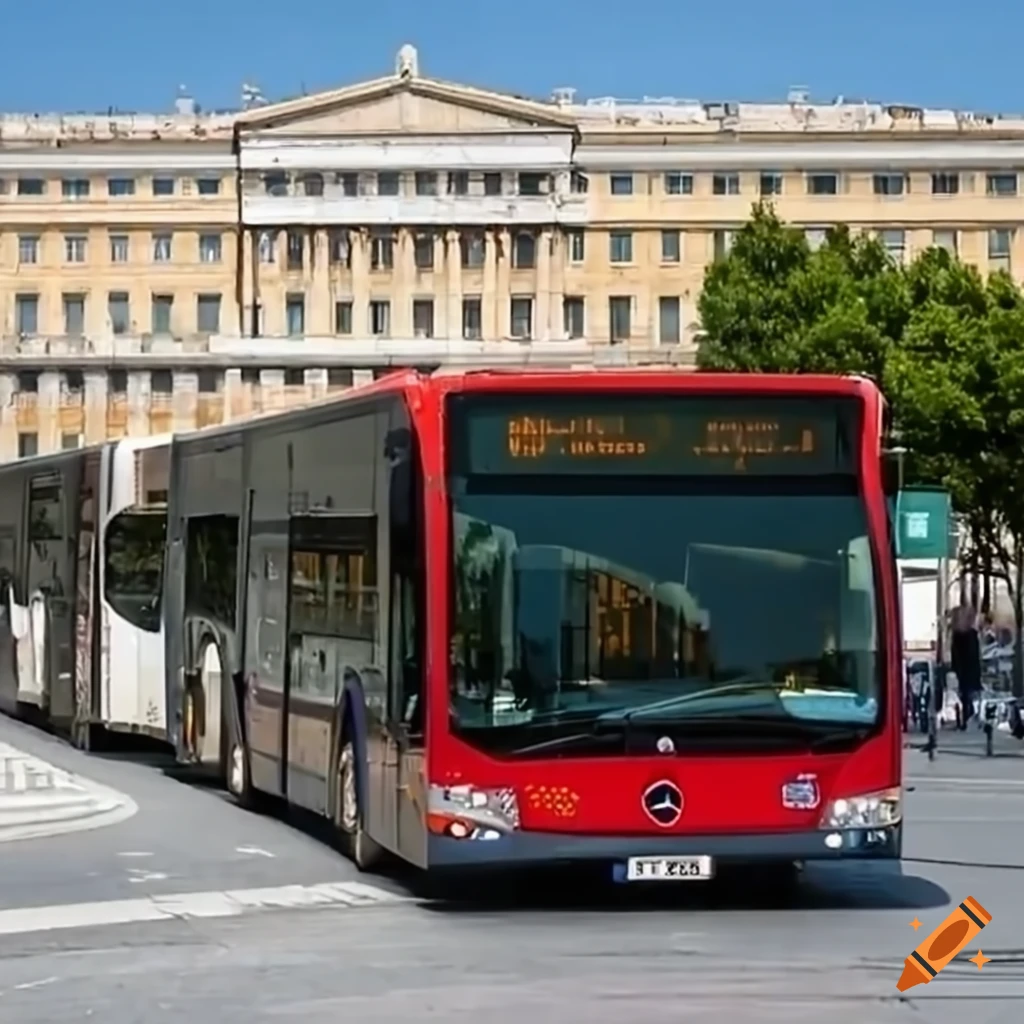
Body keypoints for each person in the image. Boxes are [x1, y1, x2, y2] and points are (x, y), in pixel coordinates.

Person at [950, 601, 981, 729]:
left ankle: (966, 716)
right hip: (965, 670)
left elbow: (968, 655)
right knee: (964, 694)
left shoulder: (965, 635)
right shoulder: (966, 635)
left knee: (965, 694)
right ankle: (966, 716)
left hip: (966, 670)